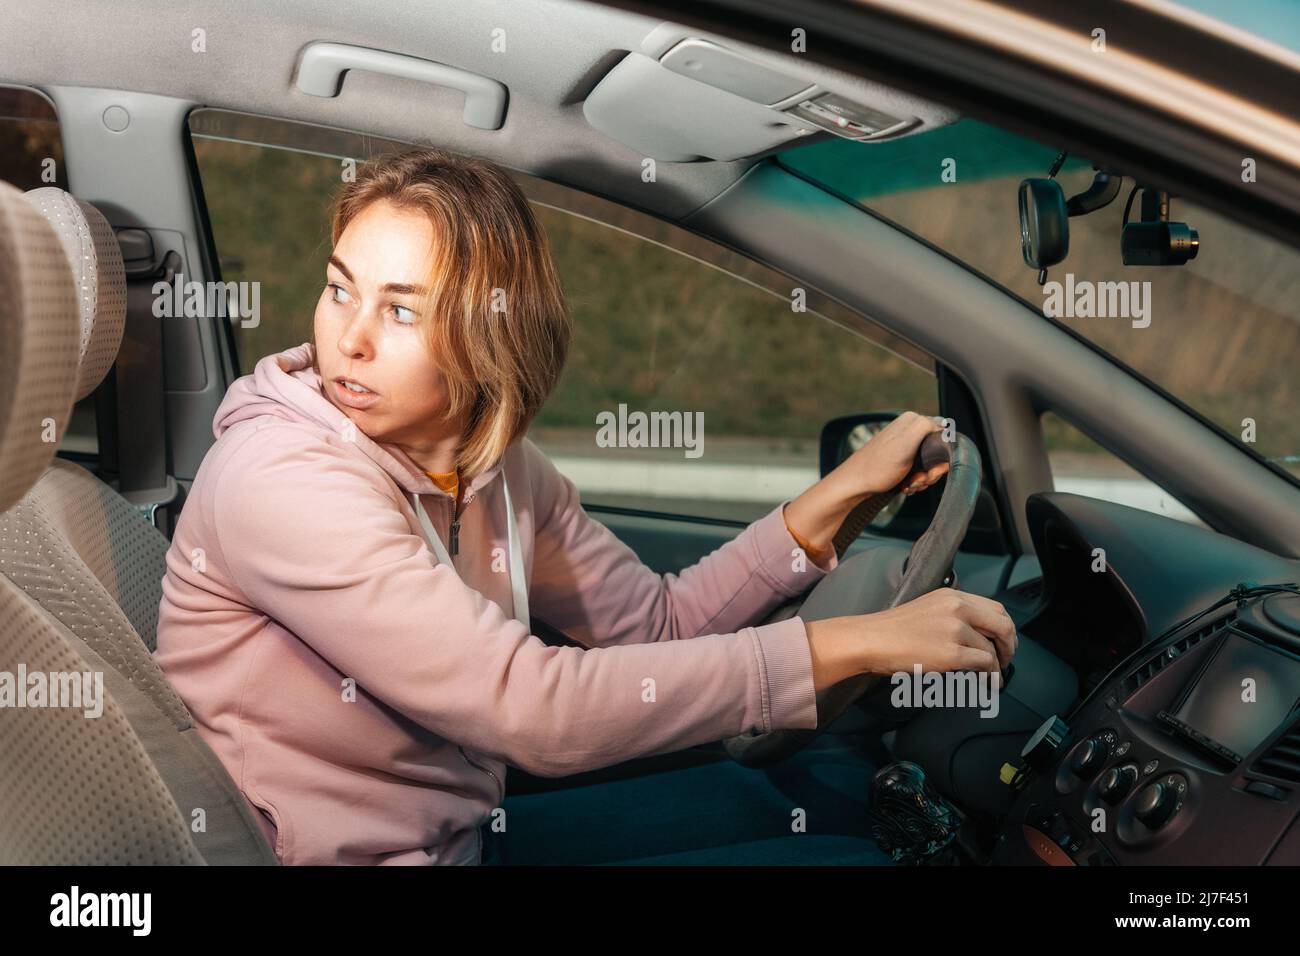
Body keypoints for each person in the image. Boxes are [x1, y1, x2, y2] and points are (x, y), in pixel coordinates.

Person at [153, 146, 1016, 866]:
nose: (351, 336)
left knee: (838, 830)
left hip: (456, 836)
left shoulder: (490, 465)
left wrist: (843, 493)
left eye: (403, 310)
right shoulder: (283, 479)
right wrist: (856, 641)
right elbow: (532, 710)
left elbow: (659, 628)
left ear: (490, 332)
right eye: (341, 289)